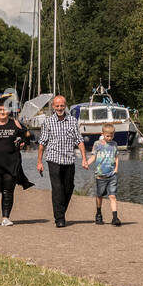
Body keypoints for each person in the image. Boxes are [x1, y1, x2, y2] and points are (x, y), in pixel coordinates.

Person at [36, 94, 88, 227]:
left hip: (69, 159)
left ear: (65, 106)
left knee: (69, 188)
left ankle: (61, 211)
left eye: (62, 105)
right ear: (53, 106)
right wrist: (39, 162)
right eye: (57, 106)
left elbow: (79, 140)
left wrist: (84, 159)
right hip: (53, 159)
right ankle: (59, 218)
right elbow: (42, 143)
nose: (59, 108)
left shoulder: (72, 120)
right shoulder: (48, 122)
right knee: (57, 188)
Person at [85, 122, 122, 226]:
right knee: (100, 195)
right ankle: (98, 214)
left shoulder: (114, 144)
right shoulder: (97, 144)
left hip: (112, 175)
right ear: (103, 134)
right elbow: (93, 156)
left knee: (112, 196)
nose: (110, 138)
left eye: (111, 136)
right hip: (100, 175)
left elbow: (116, 157)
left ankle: (115, 217)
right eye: (107, 136)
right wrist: (87, 163)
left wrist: (116, 168)